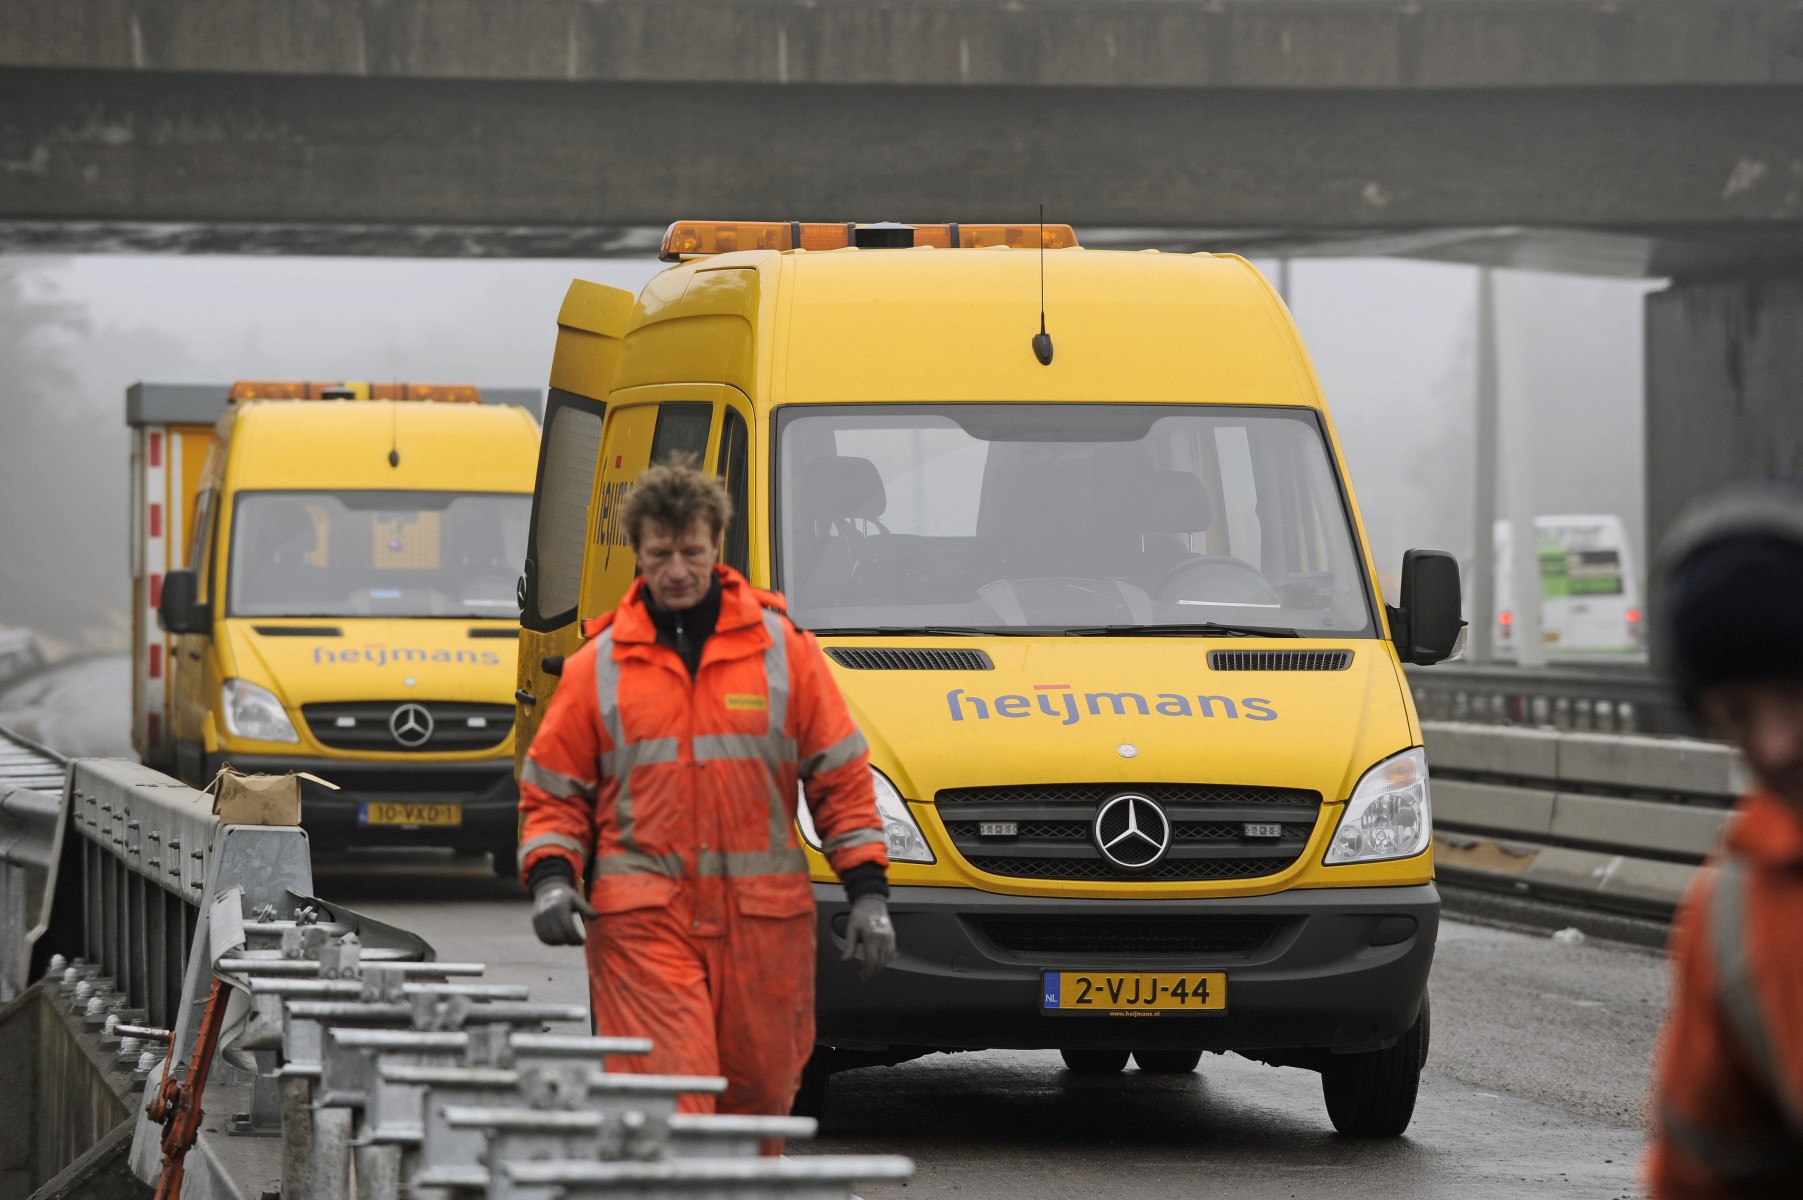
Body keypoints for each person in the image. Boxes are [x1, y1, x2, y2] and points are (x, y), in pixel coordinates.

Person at [515, 457, 897, 1146]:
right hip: (643, 925)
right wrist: (549, 877)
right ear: (637, 553)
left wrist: (866, 887)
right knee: (672, 1105)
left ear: (717, 545)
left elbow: (839, 776)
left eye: (691, 552)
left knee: (757, 1108)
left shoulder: (784, 652)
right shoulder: (597, 665)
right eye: (661, 554)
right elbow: (553, 789)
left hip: (763, 927)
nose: (678, 570)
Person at [1647, 481, 1803, 1195]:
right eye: (1735, 714)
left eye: (1794, 689)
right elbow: (1702, 1169)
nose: (1773, 745)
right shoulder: (1733, 915)